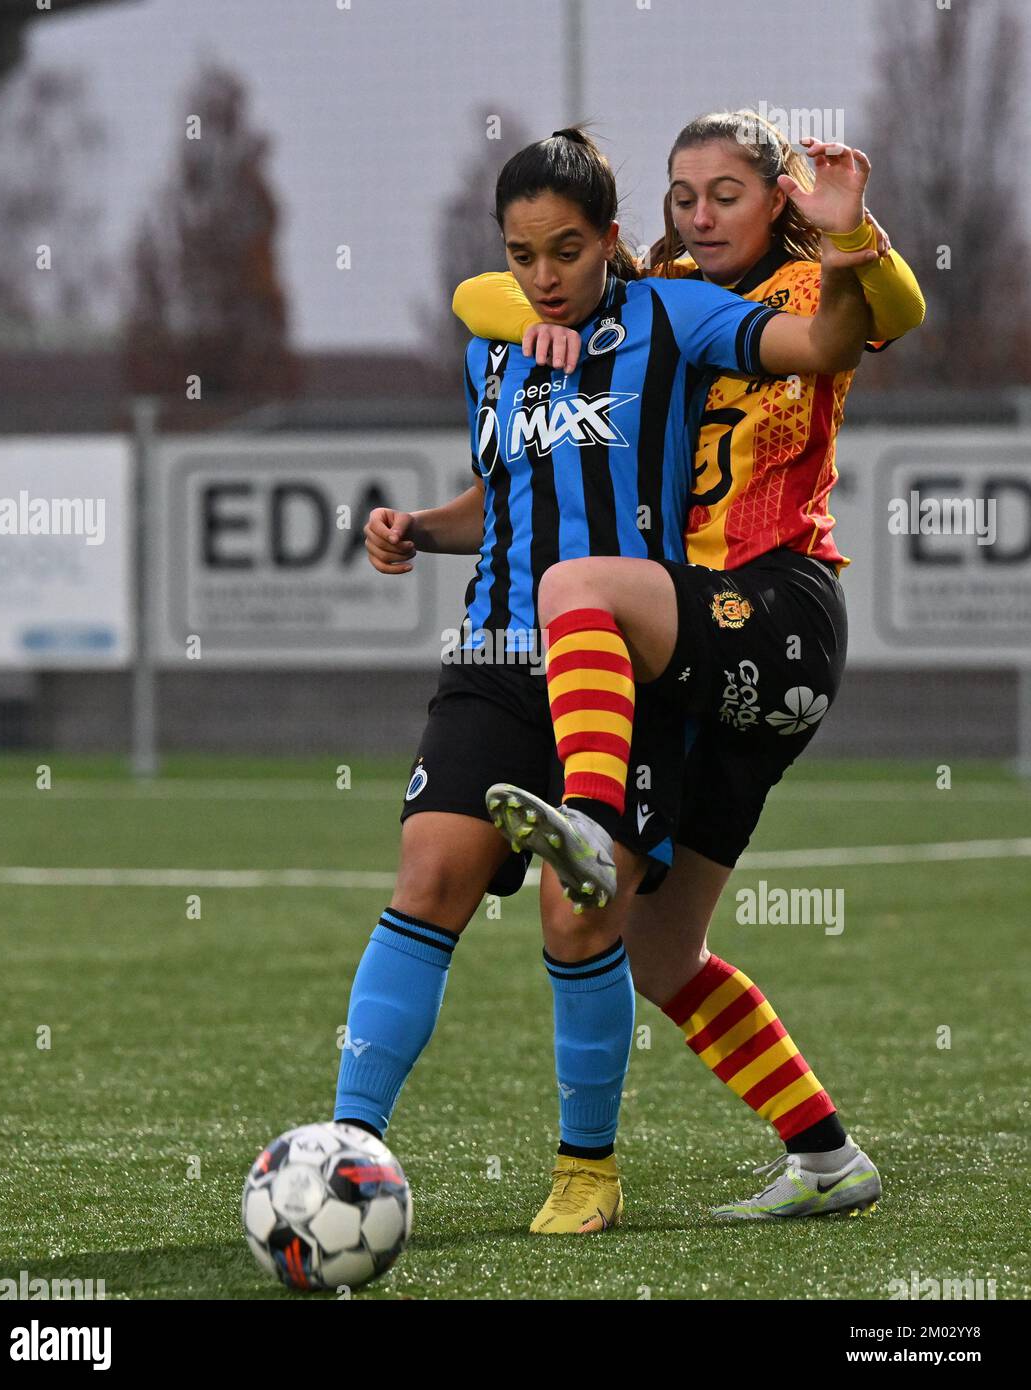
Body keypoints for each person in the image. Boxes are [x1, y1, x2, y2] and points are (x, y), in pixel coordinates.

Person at [338, 125, 872, 1239]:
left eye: (568, 251)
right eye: (524, 254)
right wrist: (414, 529)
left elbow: (824, 343)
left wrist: (853, 253)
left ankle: (587, 1169)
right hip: (497, 648)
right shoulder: (494, 344)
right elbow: (505, 490)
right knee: (428, 876)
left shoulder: (673, 317)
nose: (545, 275)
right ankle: (349, 1147)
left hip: (620, 667)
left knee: (581, 917)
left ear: (614, 243)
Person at [451, 111, 925, 1218]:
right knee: (660, 949)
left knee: (578, 585)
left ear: (783, 198)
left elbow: (888, 315)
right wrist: (537, 319)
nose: (701, 216)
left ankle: (586, 810)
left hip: (776, 605)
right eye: (682, 195)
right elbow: (483, 294)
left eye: (728, 193)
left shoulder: (819, 287)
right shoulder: (658, 285)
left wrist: (857, 237)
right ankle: (827, 1158)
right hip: (708, 643)